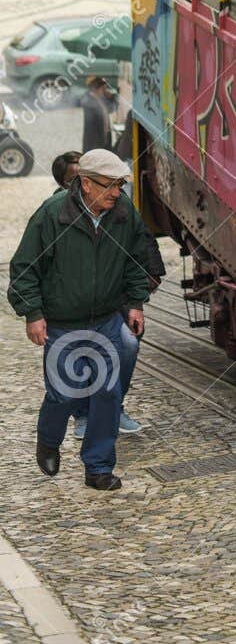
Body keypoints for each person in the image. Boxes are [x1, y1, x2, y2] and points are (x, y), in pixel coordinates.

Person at [8, 148, 154, 493]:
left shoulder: (122, 213)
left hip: (105, 318)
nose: (117, 193)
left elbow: (137, 259)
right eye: (110, 185)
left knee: (107, 392)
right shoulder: (52, 214)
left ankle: (99, 468)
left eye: (120, 185)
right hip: (62, 321)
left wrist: (135, 303)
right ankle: (48, 442)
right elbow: (24, 269)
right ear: (85, 184)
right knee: (63, 394)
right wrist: (34, 314)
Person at [48, 148, 164, 438]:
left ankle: (113, 408)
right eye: (75, 178)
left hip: (117, 296)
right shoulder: (56, 210)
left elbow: (142, 241)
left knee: (127, 346)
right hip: (76, 302)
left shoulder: (119, 206)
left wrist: (146, 281)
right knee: (83, 358)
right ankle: (84, 415)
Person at [79, 76, 114, 153]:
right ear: (96, 89)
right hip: (95, 144)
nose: (105, 90)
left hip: (104, 139)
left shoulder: (100, 99)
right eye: (103, 88)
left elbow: (111, 108)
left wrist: (110, 97)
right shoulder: (89, 101)